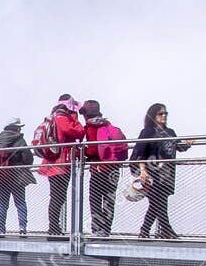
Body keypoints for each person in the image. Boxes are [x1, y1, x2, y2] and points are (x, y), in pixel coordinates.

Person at [129, 103, 194, 239]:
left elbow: (177, 147)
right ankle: (167, 230)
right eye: (160, 114)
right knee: (157, 201)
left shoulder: (170, 132)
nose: (164, 116)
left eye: (165, 113)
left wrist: (187, 144)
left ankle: (144, 231)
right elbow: (140, 151)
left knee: (157, 203)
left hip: (166, 174)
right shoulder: (148, 132)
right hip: (152, 173)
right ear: (153, 115)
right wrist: (142, 170)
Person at [37, 94, 85, 235]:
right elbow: (79, 132)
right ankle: (53, 228)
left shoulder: (52, 117)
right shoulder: (63, 118)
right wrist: (75, 115)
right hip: (60, 163)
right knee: (58, 196)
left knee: (56, 195)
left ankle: (54, 227)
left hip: (51, 162)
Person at [81, 100, 128, 237]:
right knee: (109, 200)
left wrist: (83, 153)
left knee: (95, 199)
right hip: (114, 169)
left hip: (99, 169)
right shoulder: (108, 124)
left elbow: (93, 150)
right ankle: (107, 229)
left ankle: (97, 230)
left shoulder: (90, 127)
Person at [0, 118, 34, 234]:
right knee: (21, 203)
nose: (20, 129)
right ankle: (22, 228)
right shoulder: (19, 140)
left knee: (2, 204)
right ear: (15, 127)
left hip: (1, 177)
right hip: (17, 176)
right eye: (19, 127)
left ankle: (1, 230)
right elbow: (27, 157)